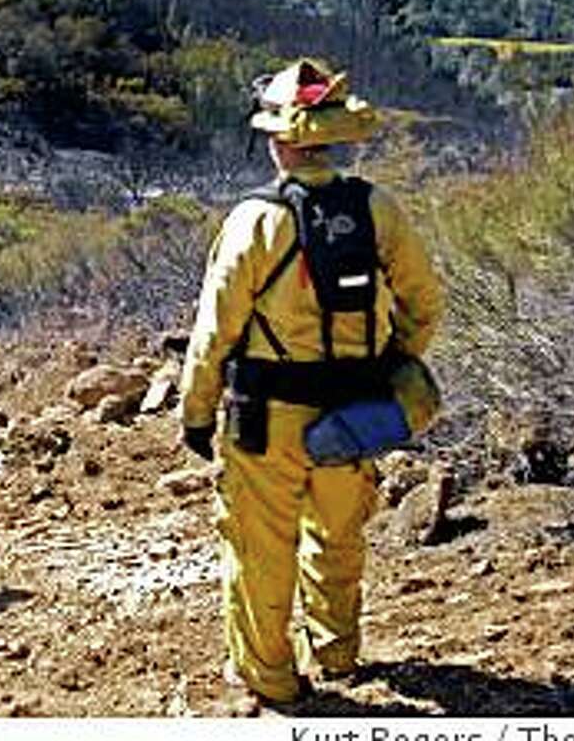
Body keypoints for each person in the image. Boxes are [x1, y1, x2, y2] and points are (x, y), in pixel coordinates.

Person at [179, 59, 444, 712]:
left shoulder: (256, 222)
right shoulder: (377, 209)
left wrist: (196, 411)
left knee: (262, 547)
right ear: (334, 136)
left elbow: (215, 332)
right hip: (353, 408)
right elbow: (424, 304)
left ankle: (271, 678)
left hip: (267, 419)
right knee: (339, 532)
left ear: (281, 140)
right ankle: (338, 651)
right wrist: (389, 363)